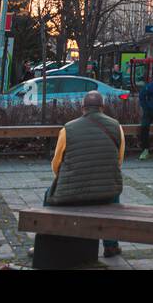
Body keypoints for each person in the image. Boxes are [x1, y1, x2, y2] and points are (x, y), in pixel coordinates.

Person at [45, 91, 125, 257]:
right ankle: (111, 245)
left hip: (72, 193)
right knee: (113, 198)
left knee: (48, 195)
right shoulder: (116, 126)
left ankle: (45, 240)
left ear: (82, 108)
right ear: (102, 108)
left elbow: (57, 162)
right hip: (106, 191)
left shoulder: (68, 129)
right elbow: (119, 160)